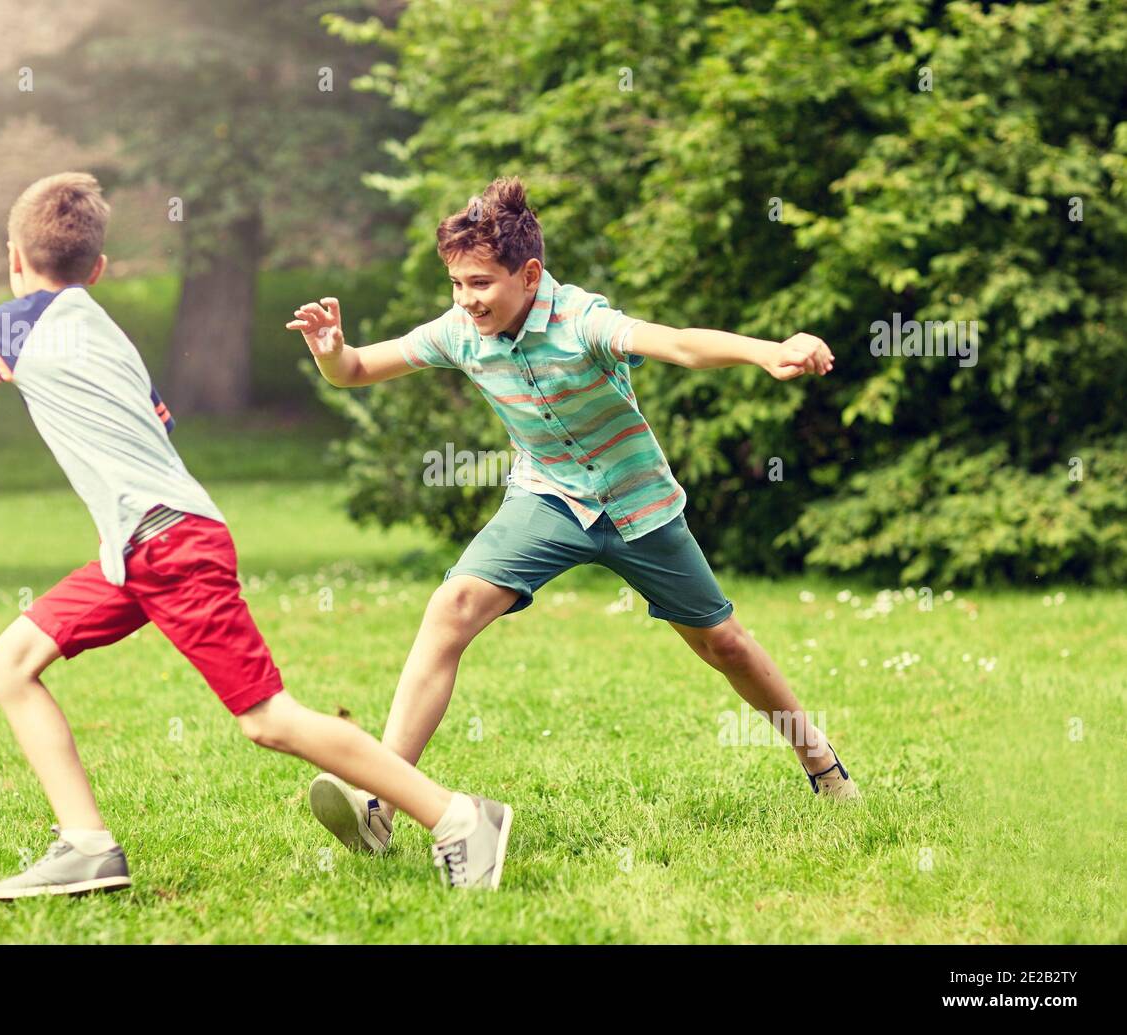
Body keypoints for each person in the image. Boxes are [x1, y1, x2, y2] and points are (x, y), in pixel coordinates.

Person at [0, 172, 512, 895]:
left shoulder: (20, 322)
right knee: (10, 663)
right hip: (139, 548)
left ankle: (457, 816)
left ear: (15, 259)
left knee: (268, 719)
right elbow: (156, 425)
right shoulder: (107, 333)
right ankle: (86, 846)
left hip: (167, 546)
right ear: (99, 270)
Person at [288, 176, 858, 857]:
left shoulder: (581, 320)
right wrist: (329, 351)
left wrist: (767, 351)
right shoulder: (460, 333)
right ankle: (379, 800)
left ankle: (820, 759)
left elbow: (676, 343)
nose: (466, 300)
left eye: (480, 283)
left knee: (725, 645)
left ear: (529, 275)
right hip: (548, 498)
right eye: (455, 284)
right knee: (452, 606)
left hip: (637, 504)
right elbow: (355, 369)